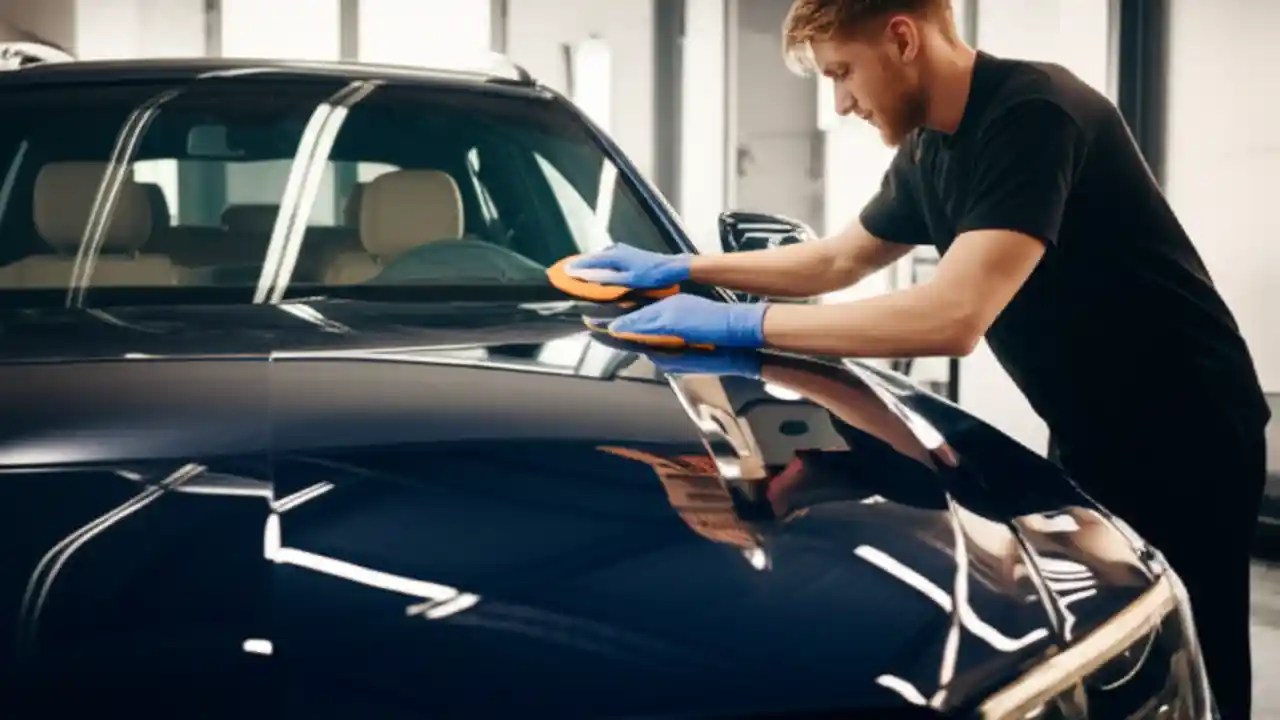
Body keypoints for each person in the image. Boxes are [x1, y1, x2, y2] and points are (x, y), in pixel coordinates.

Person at [566, 0, 1271, 716]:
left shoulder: (1033, 114)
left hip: (1189, 426)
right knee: (1110, 651)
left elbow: (954, 315)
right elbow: (839, 259)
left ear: (901, 37)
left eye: (843, 73)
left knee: (1191, 661)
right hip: (1094, 422)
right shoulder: (932, 147)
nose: (840, 103)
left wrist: (741, 325)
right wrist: (681, 267)